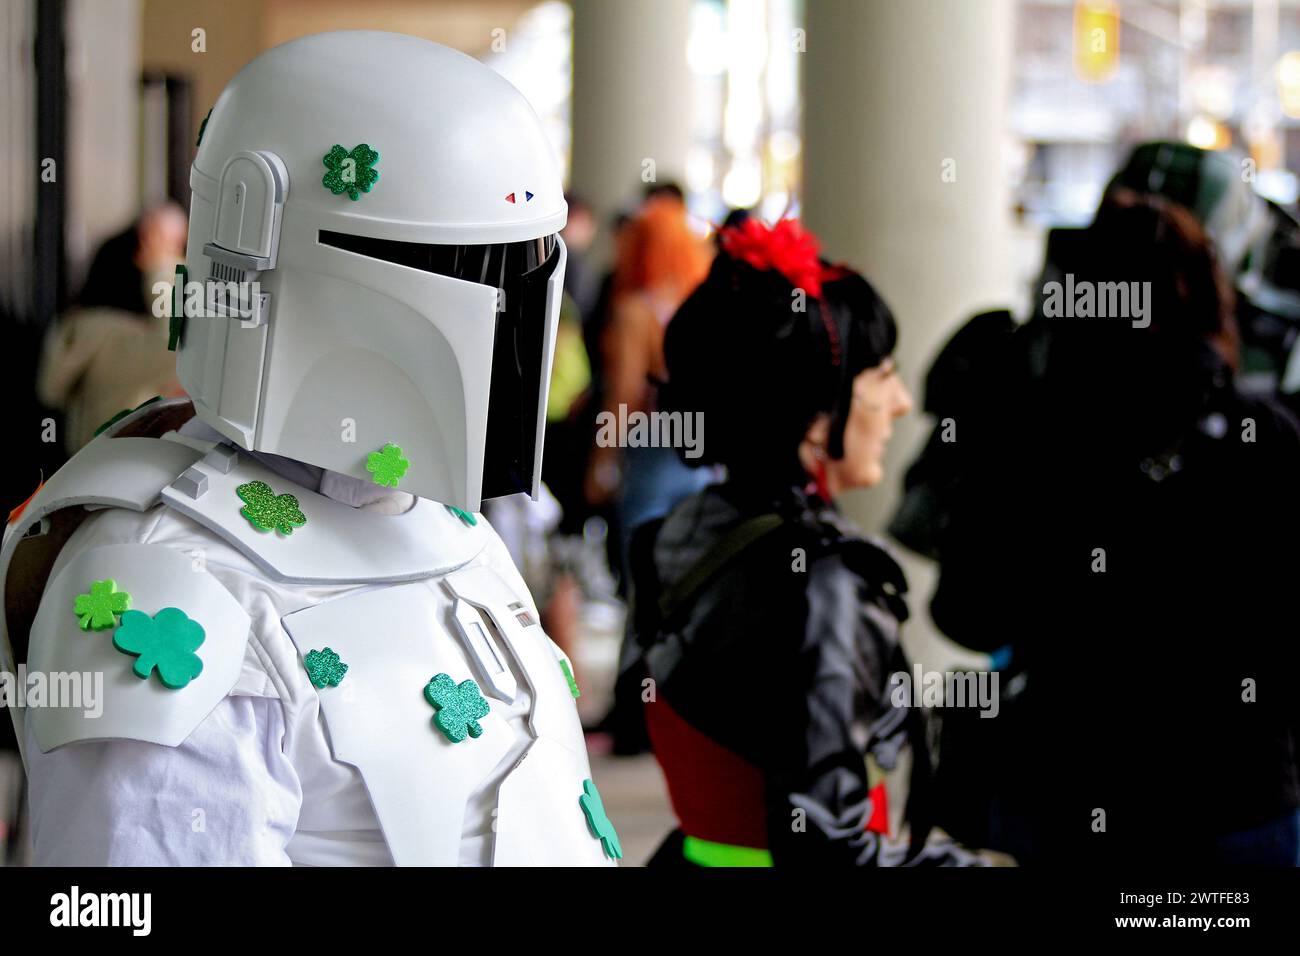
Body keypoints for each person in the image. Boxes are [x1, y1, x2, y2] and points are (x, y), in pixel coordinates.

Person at [1, 31, 616, 866]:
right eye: (475, 268)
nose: (510, 317)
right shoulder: (165, 584)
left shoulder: (450, 529)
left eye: (530, 266)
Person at [922, 189, 1300, 864]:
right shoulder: (1266, 437)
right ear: (1212, 300)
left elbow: (966, 613)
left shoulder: (1027, 439)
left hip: (1072, 795)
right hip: (1239, 796)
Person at [628, 217, 981, 866]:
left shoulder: (671, 534)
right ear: (816, 422)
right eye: (882, 376)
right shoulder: (829, 582)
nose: (901, 402)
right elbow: (829, 848)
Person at [37, 203, 188, 453]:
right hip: (117, 467)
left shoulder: (82, 326)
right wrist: (162, 269)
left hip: (87, 463)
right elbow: (174, 345)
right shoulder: (112, 333)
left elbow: (49, 390)